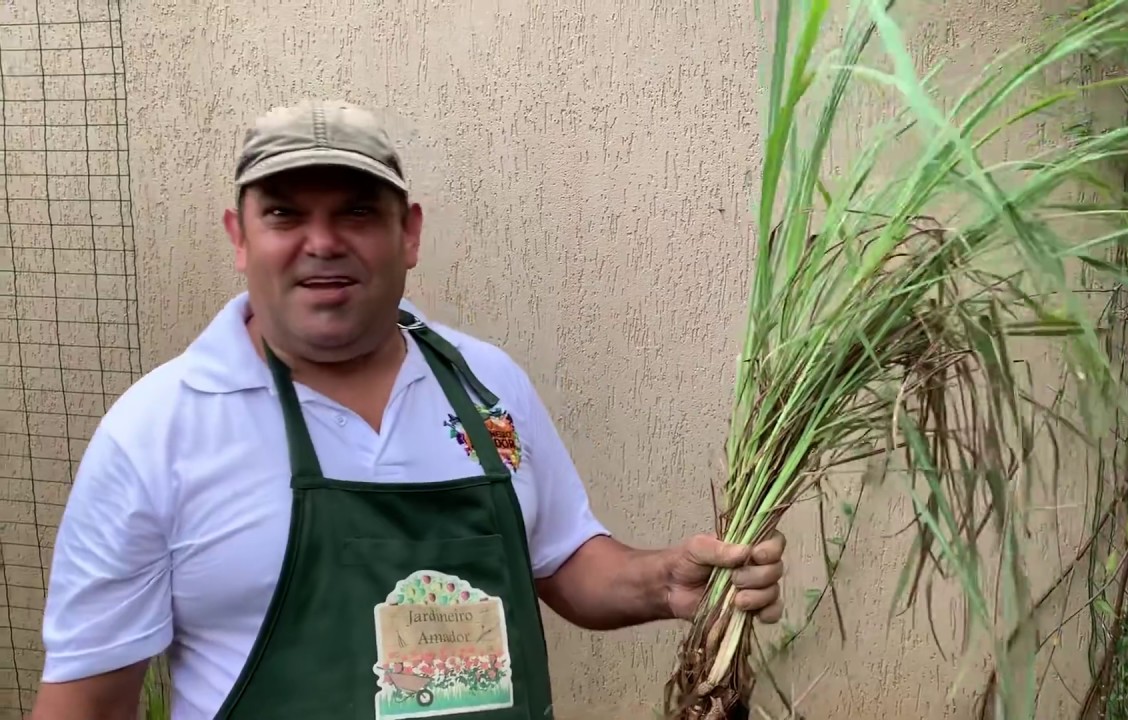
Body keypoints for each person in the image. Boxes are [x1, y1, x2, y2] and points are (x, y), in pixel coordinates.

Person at [29, 100, 786, 720]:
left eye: (357, 213)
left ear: (409, 233)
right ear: (240, 237)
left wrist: (666, 585)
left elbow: (562, 560)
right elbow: (87, 705)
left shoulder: (486, 385)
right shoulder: (157, 432)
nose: (321, 243)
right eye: (285, 215)